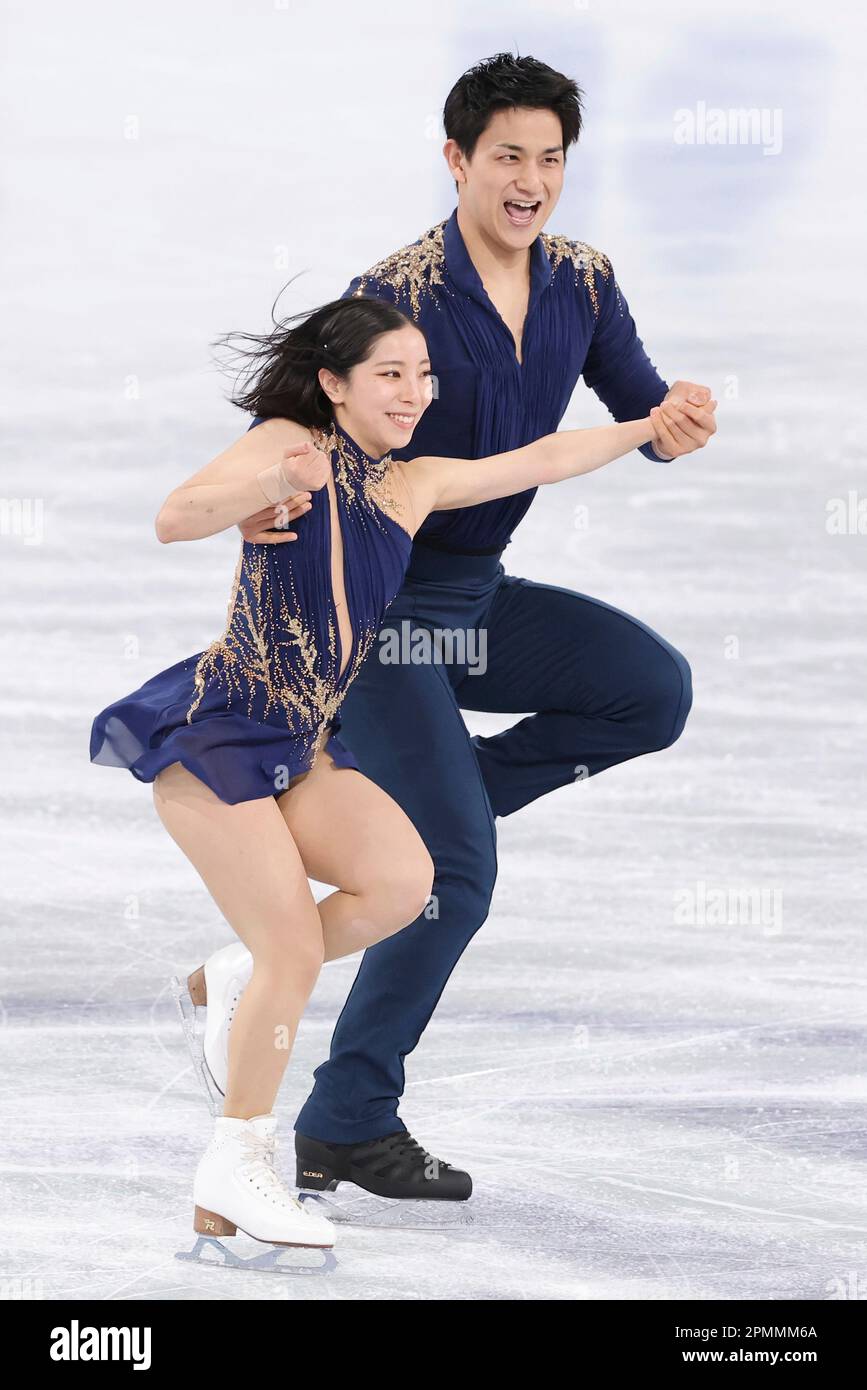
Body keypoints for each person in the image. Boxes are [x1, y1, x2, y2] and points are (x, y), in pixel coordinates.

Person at [203, 52, 718, 1203]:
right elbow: (304, 430)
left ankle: (421, 808)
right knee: (455, 877)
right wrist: (279, 492)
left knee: (652, 689)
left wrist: (673, 418)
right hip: (379, 619)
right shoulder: (400, 292)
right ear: (458, 161)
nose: (530, 180)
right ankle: (347, 1117)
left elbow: (636, 402)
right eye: (507, 158)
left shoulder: (582, 280)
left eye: (550, 159)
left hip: (470, 606)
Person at [89, 292, 691, 1248]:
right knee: (295, 950)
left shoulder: (405, 486)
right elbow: (175, 518)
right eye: (389, 375)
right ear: (334, 385)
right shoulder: (293, 442)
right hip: (222, 738)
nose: (412, 393)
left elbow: (536, 459)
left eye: (421, 375)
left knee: (406, 881)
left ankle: (240, 974)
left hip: (306, 746)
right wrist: (258, 490)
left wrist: (644, 428)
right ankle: (235, 1164)